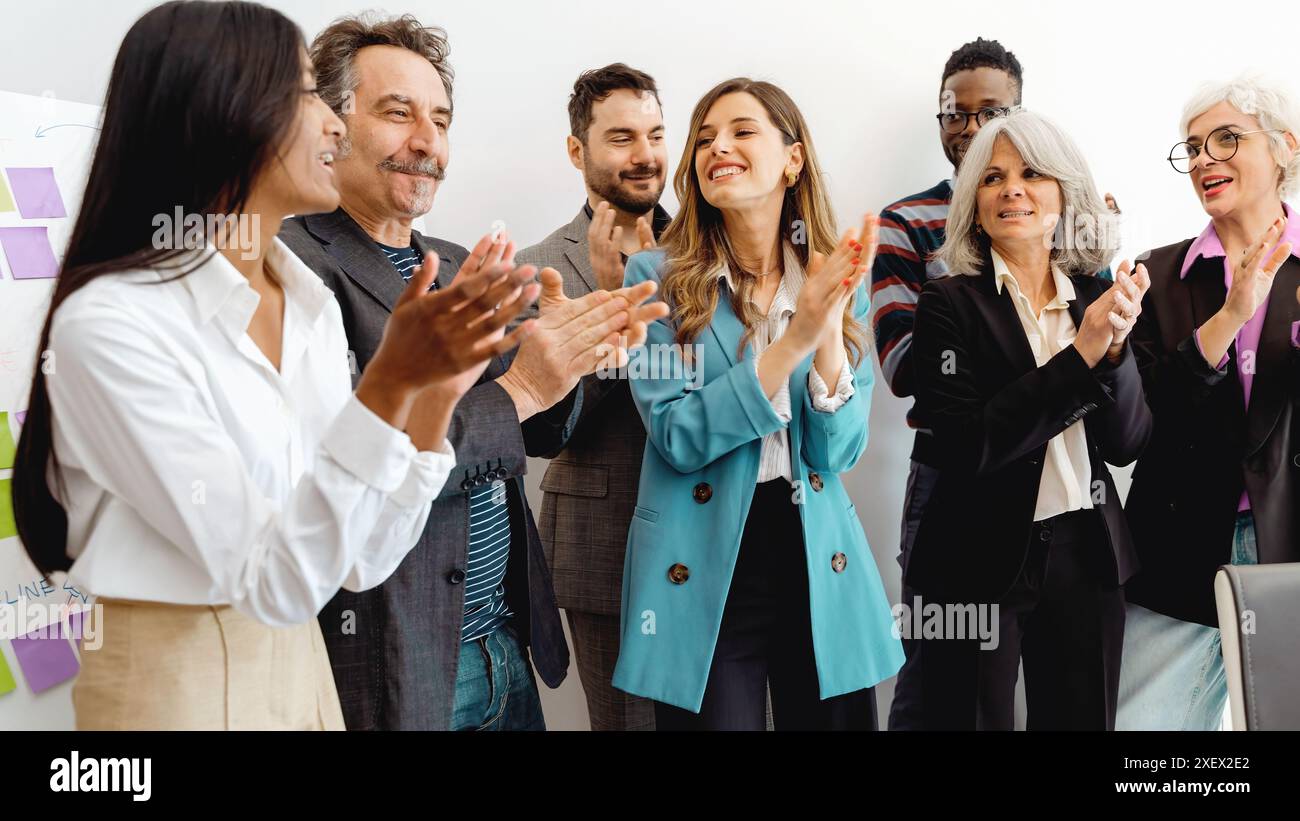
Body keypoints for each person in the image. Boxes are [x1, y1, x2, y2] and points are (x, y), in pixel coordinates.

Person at [12, 0, 535, 730]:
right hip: (175, 680)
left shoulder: (304, 304)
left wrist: (435, 395)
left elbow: (359, 559)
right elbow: (272, 577)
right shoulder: (111, 324)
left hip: (301, 669)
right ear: (220, 112)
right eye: (305, 94)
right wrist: (391, 384)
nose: (332, 122)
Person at [279, 13, 666, 730]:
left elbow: (540, 427)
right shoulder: (295, 268)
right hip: (404, 656)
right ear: (329, 126)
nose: (427, 142)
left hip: (504, 643)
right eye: (398, 114)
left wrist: (566, 356)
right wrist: (518, 389)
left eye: (441, 119)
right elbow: (358, 456)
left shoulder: (459, 263)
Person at [613, 77, 904, 730]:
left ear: (792, 158)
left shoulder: (837, 276)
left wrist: (826, 331)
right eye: (705, 137)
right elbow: (678, 435)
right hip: (705, 563)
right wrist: (792, 340)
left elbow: (838, 451)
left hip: (816, 554)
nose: (718, 146)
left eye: (742, 130)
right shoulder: (653, 278)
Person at [909, 109, 1152, 730]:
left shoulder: (1097, 293)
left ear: (1066, 194)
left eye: (1032, 173)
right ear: (974, 202)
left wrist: (1115, 352)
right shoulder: (947, 302)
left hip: (1087, 554)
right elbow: (970, 444)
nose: (1011, 189)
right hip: (975, 560)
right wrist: (1081, 356)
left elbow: (1127, 442)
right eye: (992, 178)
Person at [1120, 76, 1299, 730]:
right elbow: (1138, 425)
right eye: (1192, 147)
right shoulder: (1157, 276)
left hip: (1292, 548)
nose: (1203, 159)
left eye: (1227, 139)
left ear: (1284, 148)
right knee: (1145, 741)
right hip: (1178, 548)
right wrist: (1229, 317)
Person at [868, 37, 1025, 730]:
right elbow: (906, 371)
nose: (968, 127)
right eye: (953, 113)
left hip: (1046, 474)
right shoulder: (905, 224)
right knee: (934, 679)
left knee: (1027, 680)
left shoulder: (1051, 215)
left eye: (990, 112)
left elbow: (1092, 368)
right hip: (948, 477)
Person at [517, 63, 671, 731]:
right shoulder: (539, 265)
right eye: (621, 138)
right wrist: (612, 315)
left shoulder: (709, 246)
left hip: (724, 536)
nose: (645, 156)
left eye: (656, 133)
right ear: (577, 150)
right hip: (602, 543)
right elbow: (546, 429)